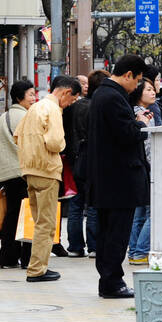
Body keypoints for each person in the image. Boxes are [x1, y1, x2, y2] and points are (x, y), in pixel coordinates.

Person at [86, 55, 151, 300]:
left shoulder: (103, 95)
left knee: (108, 232)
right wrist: (140, 123)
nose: (137, 86)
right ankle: (113, 282)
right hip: (118, 179)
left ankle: (109, 280)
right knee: (116, 233)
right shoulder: (113, 97)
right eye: (137, 81)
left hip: (107, 178)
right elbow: (125, 134)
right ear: (128, 75)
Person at [14, 75, 80, 283]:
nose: (70, 104)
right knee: (47, 223)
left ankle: (35, 265)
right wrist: (61, 146)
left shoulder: (35, 107)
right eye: (73, 100)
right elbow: (54, 143)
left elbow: (17, 135)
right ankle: (37, 269)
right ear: (66, 92)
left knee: (39, 220)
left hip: (29, 170)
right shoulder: (53, 110)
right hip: (47, 170)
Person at [63, 70, 108, 259]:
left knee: (75, 203)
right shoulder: (99, 107)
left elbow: (66, 131)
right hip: (94, 160)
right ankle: (94, 246)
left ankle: (74, 246)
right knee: (93, 204)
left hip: (74, 160)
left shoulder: (74, 106)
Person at [0, 79, 36, 270]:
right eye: (30, 95)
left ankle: (8, 258)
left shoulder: (3, 118)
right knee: (28, 216)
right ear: (20, 97)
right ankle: (27, 258)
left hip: (8, 175)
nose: (34, 98)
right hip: (24, 173)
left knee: (11, 216)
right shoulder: (27, 117)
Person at [127, 76, 159, 266]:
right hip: (148, 167)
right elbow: (148, 146)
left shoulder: (140, 112)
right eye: (148, 89)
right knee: (150, 212)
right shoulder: (144, 115)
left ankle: (134, 251)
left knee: (139, 213)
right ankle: (140, 251)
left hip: (141, 168)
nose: (153, 92)